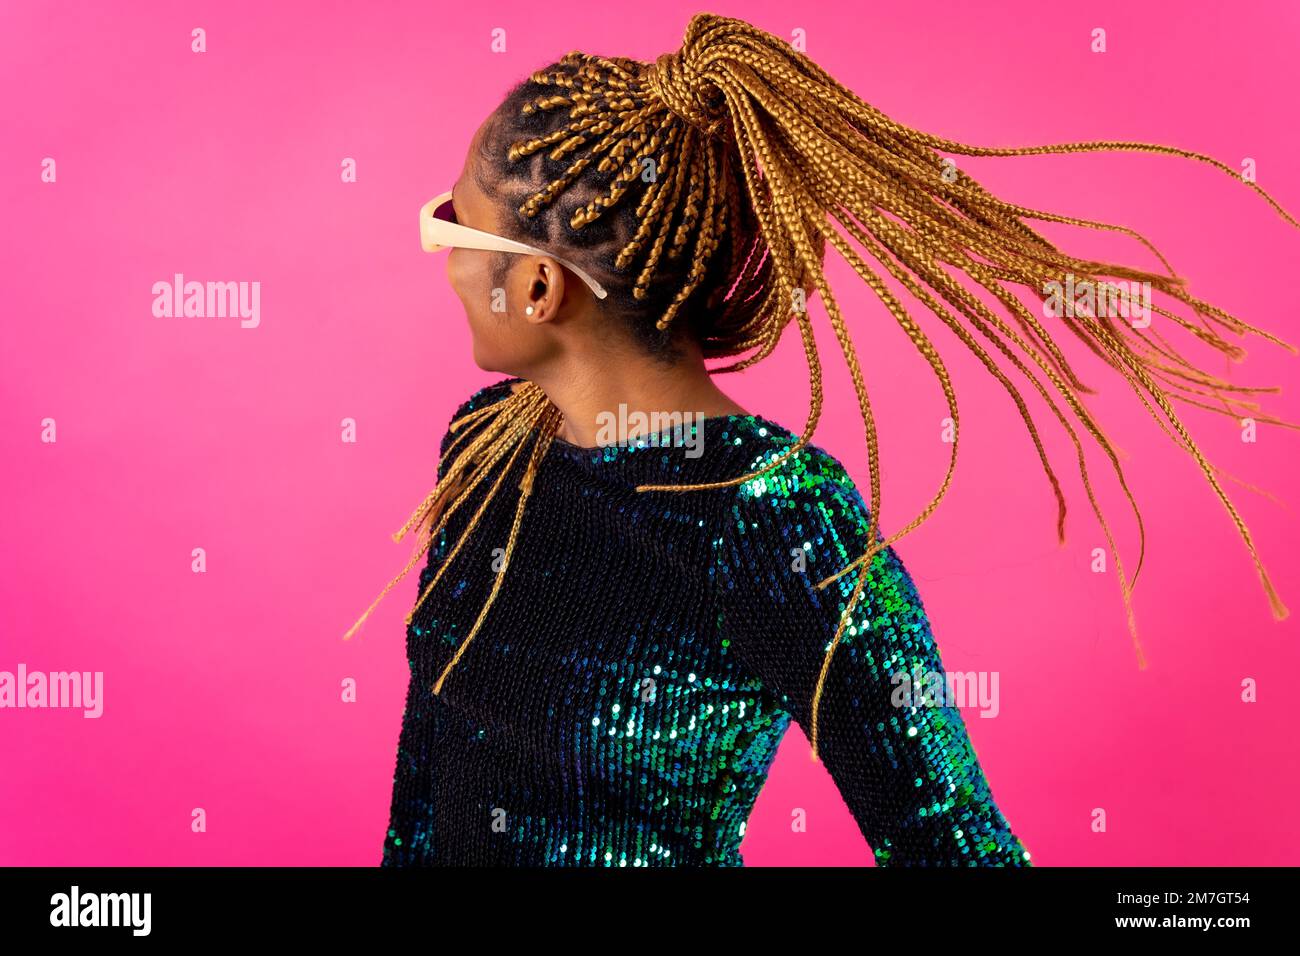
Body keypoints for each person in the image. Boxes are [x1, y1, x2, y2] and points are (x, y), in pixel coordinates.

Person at [348, 13, 1297, 866]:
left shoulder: (775, 519)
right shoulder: (487, 453)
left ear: (538, 289)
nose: (445, 256)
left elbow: (950, 845)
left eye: (455, 228)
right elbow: (423, 796)